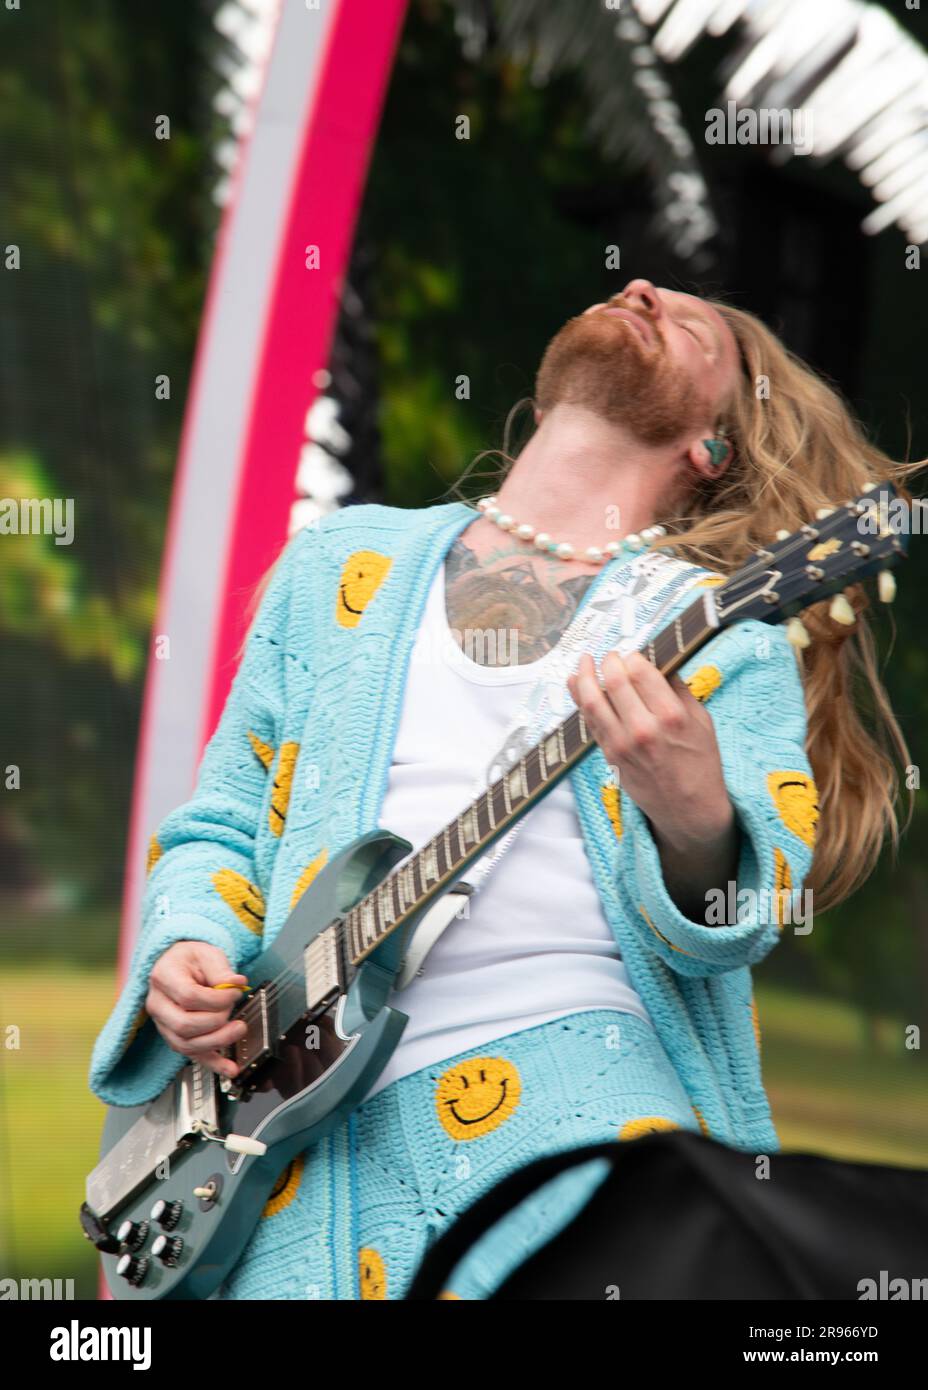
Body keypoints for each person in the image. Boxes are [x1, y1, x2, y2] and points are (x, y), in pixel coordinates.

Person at [88, 279, 918, 1300]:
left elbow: (745, 906)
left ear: (713, 445)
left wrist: (693, 809)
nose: (644, 287)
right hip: (288, 1154)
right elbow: (219, 821)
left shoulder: (722, 633)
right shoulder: (339, 564)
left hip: (574, 1109)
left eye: (693, 326)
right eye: (638, 286)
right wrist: (185, 948)